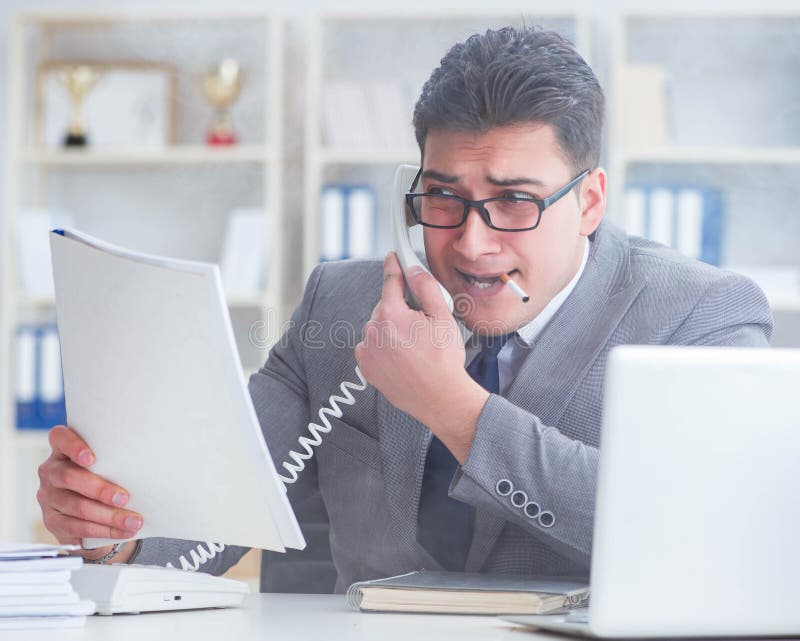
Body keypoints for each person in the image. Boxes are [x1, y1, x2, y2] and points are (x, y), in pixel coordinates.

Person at [36, 26, 772, 590]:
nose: (472, 244)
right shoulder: (345, 300)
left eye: (514, 200)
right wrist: (116, 532)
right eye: (444, 197)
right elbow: (213, 514)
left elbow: (702, 533)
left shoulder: (701, 316)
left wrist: (456, 407)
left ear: (589, 201)